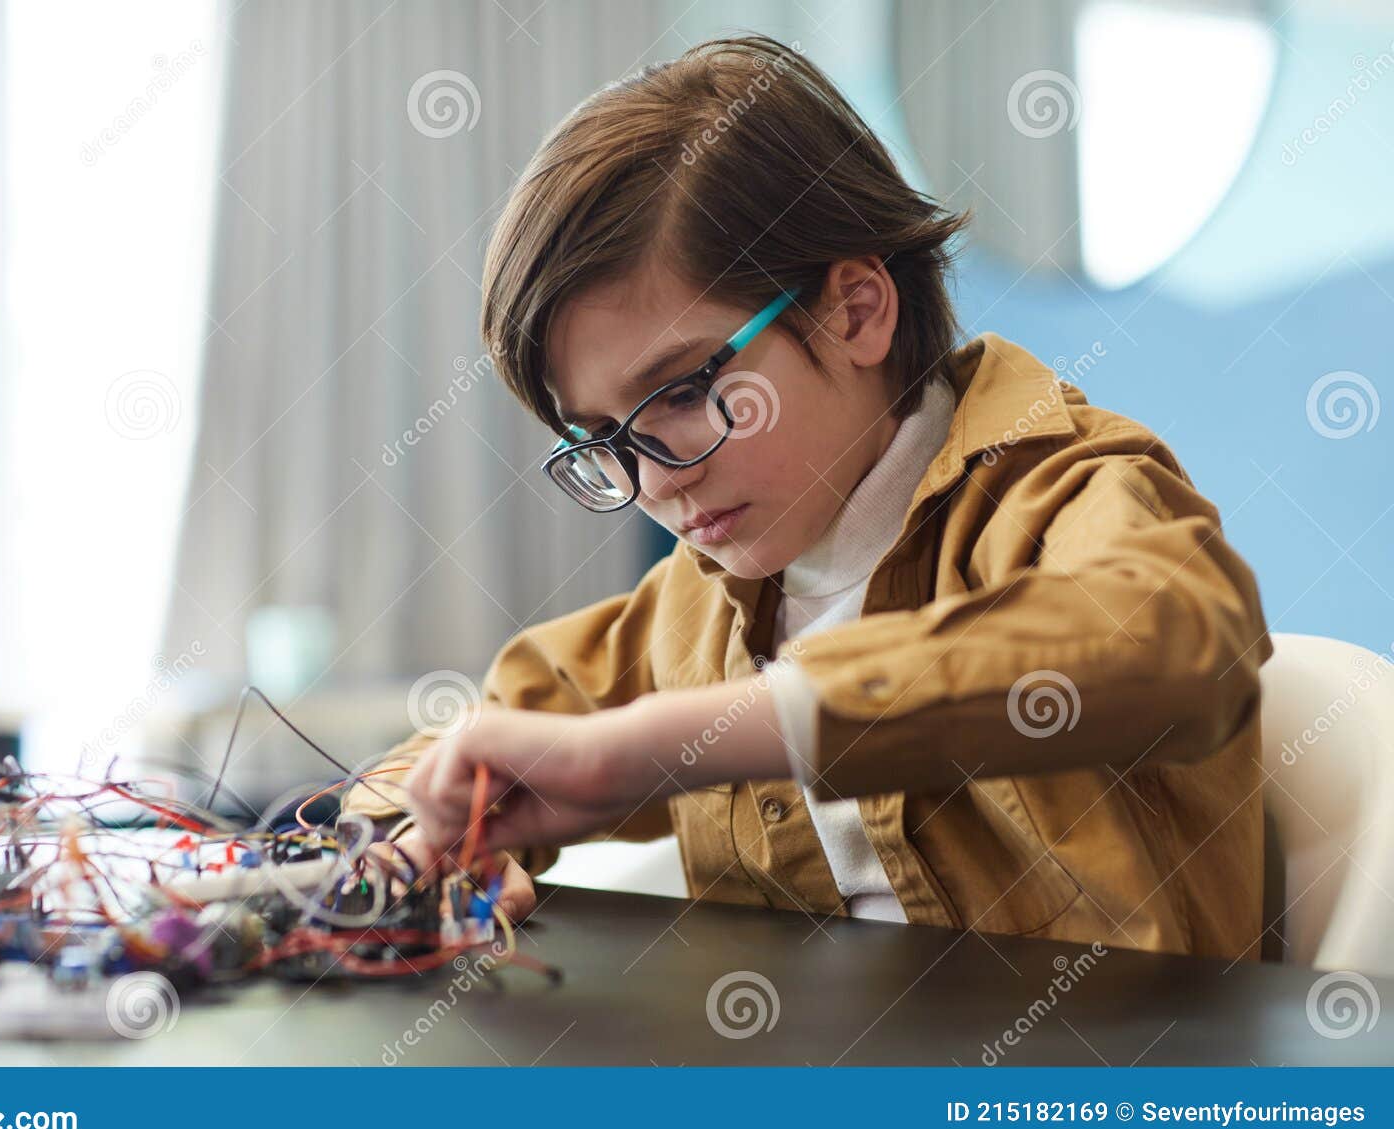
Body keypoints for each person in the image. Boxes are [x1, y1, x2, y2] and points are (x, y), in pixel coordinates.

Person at [345, 35, 1272, 958]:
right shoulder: (698, 601)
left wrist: (716, 733)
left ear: (854, 310)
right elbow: (480, 740)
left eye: (681, 392)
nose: (659, 480)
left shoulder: (1064, 492)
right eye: (603, 441)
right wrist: (416, 842)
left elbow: (1184, 640)